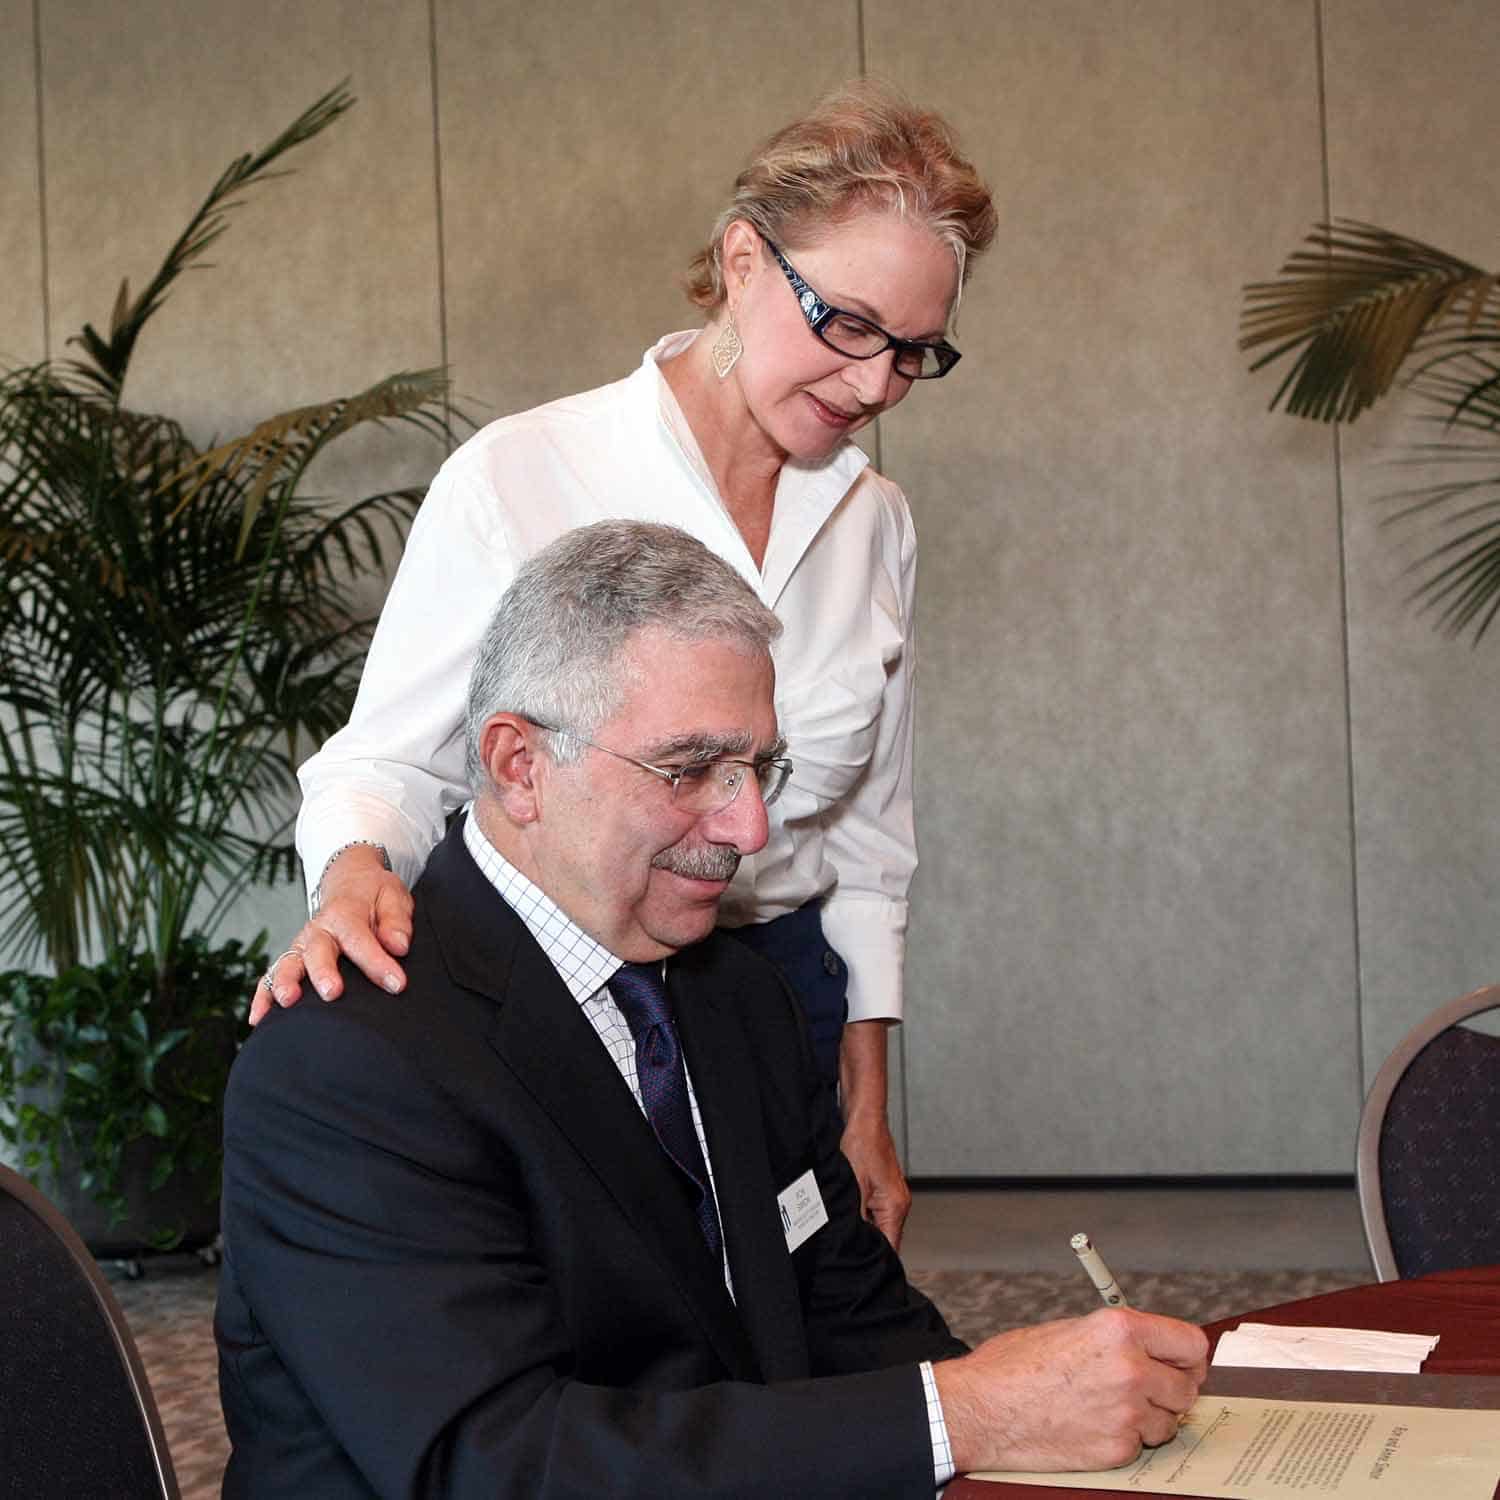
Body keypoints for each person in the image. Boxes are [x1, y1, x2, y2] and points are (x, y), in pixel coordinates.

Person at [218, 522, 1209, 1498]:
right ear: (521, 767)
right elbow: (494, 1462)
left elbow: (847, 1313)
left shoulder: (736, 997)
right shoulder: (350, 1060)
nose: (749, 825)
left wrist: (1029, 1432)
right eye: (690, 770)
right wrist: (969, 1414)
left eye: (758, 769)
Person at [256, 79, 1000, 1249]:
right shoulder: (525, 474)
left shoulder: (875, 519)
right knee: (622, 1345)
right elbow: (392, 764)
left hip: (784, 994)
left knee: (802, 1335)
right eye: (846, 325)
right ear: (744, 259)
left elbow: (870, 848)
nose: (873, 385)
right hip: (575, 989)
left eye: (914, 353)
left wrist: (868, 1108)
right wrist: (354, 884)